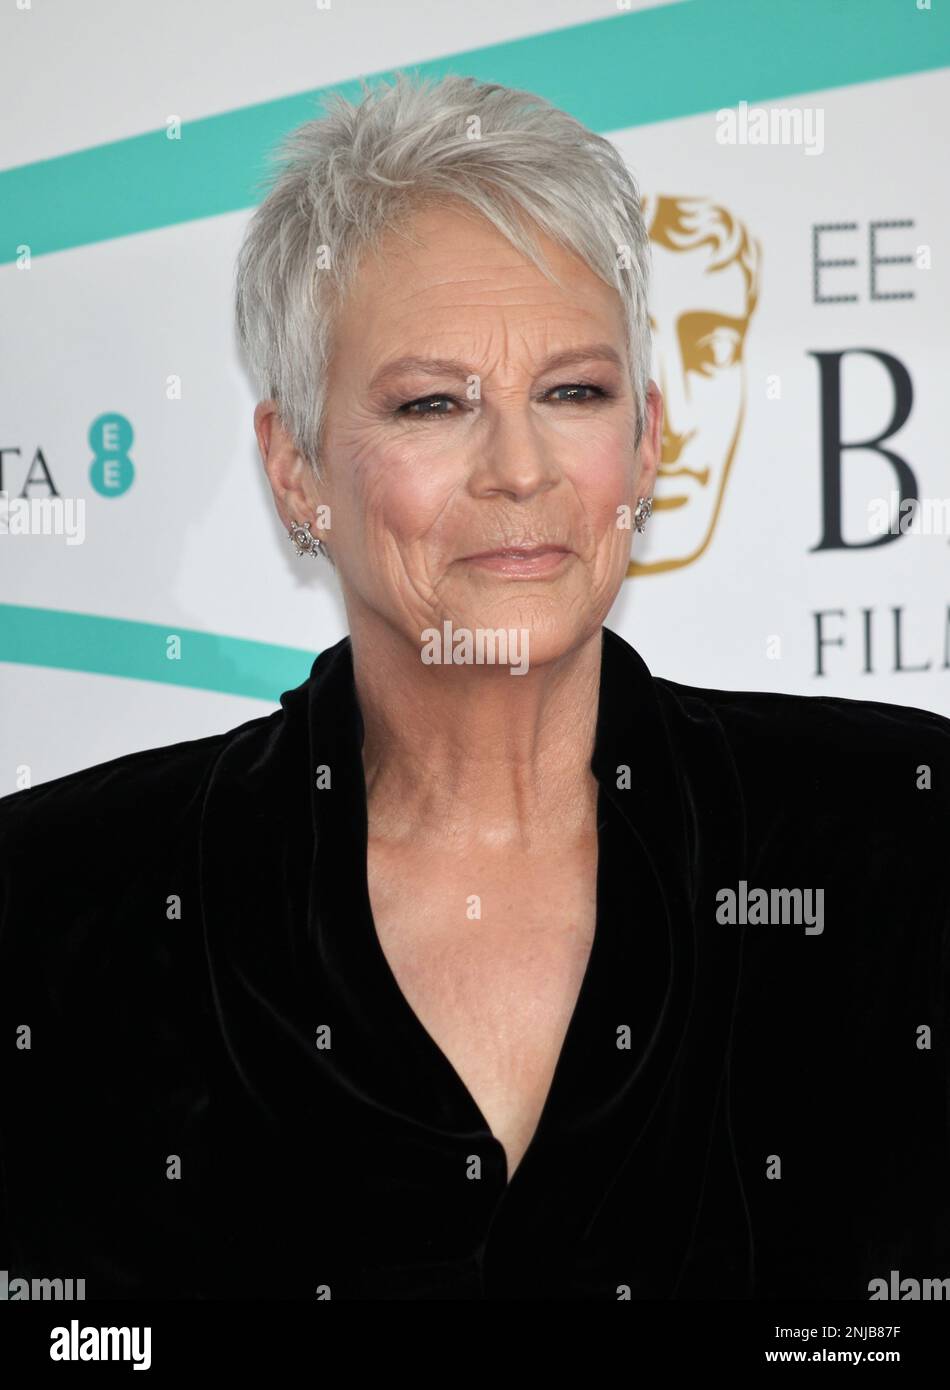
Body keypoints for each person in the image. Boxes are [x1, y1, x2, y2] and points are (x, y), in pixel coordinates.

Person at [1, 72, 948, 1302]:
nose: (517, 467)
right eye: (432, 403)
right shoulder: (62, 905)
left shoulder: (897, 840)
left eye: (571, 392)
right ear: (295, 468)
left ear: (647, 441)